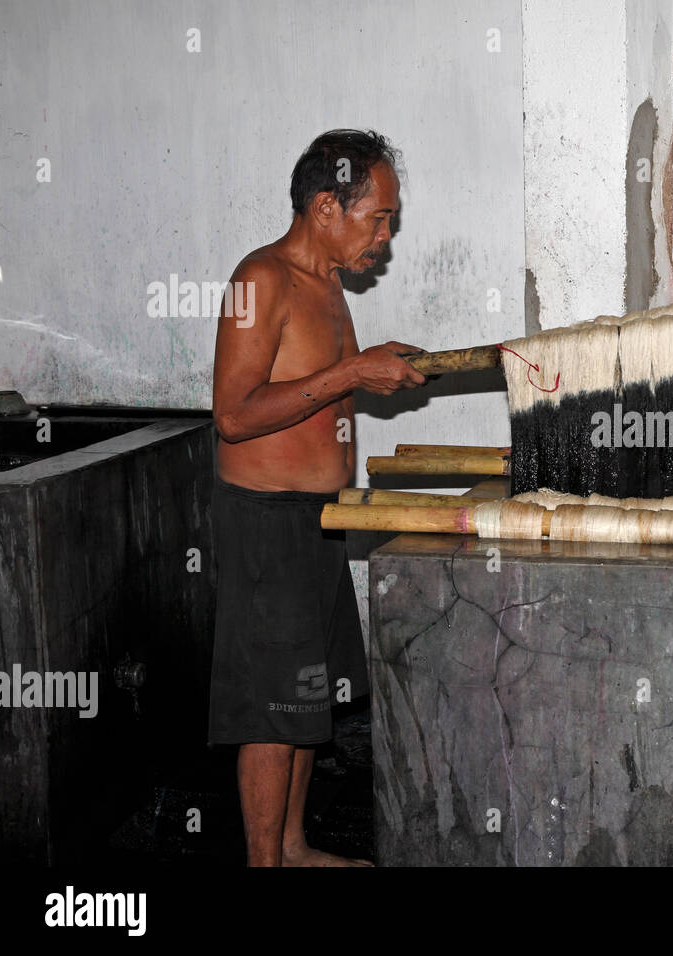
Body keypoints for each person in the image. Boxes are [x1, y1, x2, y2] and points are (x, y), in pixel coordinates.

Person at [210, 129, 427, 866]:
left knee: (308, 694)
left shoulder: (329, 286)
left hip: (320, 521)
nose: (386, 235)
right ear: (328, 204)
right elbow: (234, 415)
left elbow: (331, 387)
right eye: (379, 217)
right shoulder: (259, 279)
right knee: (272, 707)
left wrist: (376, 367)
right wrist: (347, 375)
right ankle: (263, 862)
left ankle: (294, 846)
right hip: (266, 522)